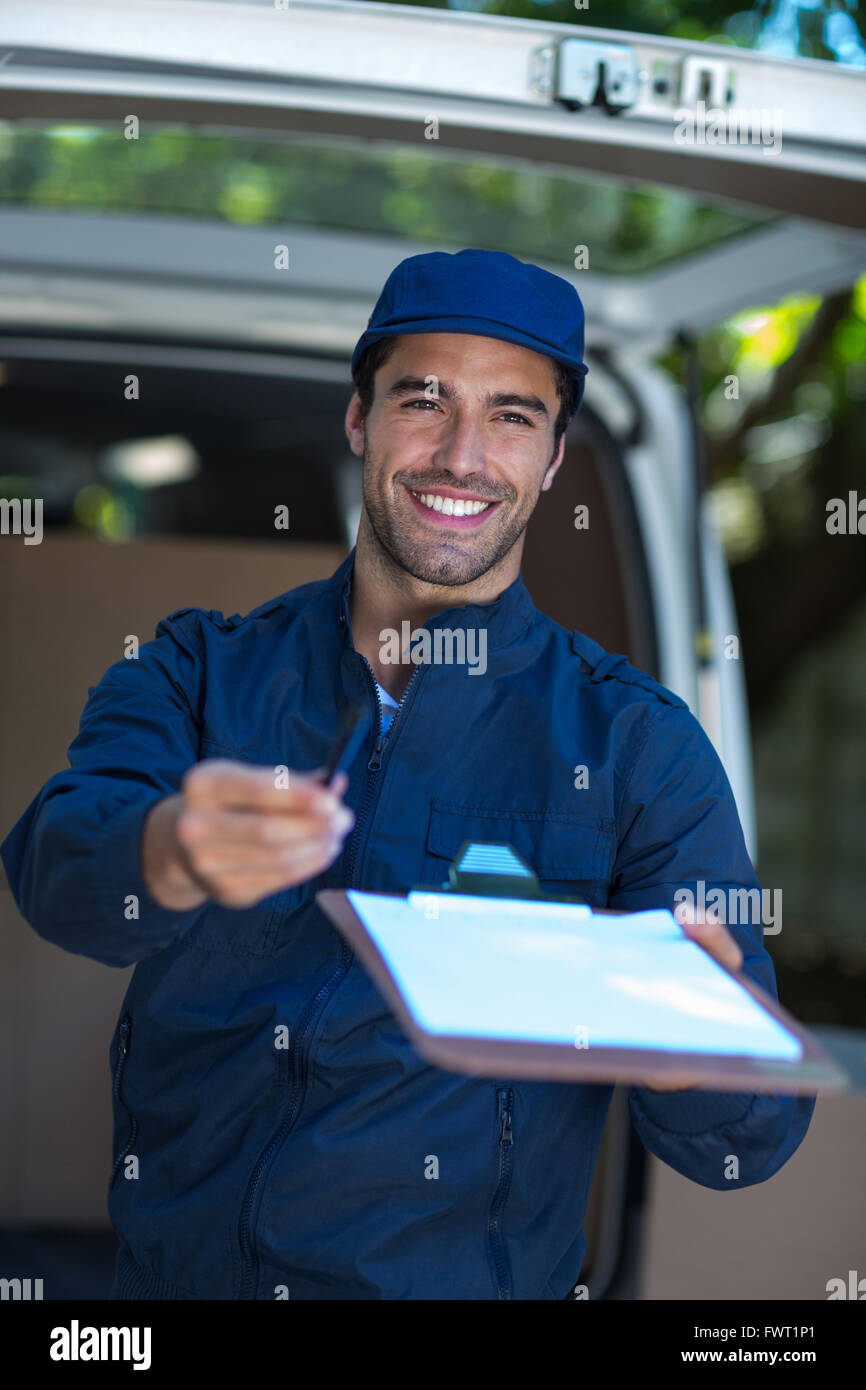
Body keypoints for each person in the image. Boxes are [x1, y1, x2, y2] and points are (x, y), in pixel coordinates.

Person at [0, 248, 815, 1301]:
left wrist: (689, 1044)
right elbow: (60, 873)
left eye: (512, 417)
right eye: (423, 400)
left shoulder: (636, 747)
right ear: (359, 418)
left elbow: (748, 1144)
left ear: (555, 456)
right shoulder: (199, 667)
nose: (461, 455)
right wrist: (165, 850)